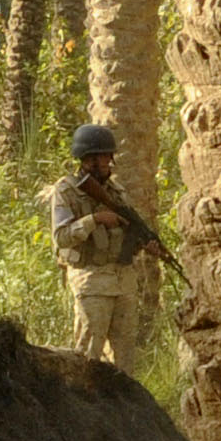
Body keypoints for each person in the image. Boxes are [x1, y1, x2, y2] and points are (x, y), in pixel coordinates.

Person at [51, 124, 164, 370]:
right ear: (87, 159)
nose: (107, 162)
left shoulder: (116, 192)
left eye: (107, 157)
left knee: (124, 362)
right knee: (88, 359)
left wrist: (146, 245)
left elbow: (127, 237)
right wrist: (94, 219)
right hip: (92, 281)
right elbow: (61, 237)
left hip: (122, 281)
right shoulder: (66, 190)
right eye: (101, 157)